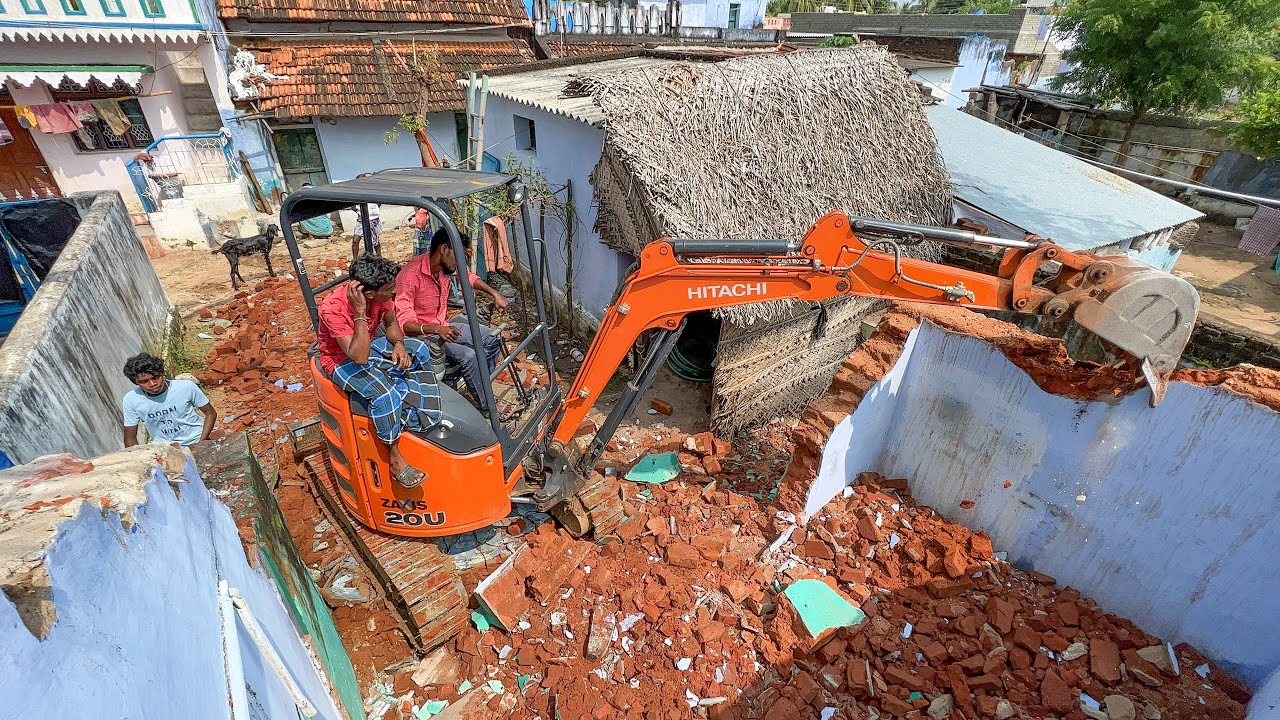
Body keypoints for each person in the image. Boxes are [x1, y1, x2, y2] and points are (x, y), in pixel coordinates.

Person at [318, 254, 439, 488]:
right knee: (384, 394)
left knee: (421, 349)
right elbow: (358, 356)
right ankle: (394, 457)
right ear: (369, 294)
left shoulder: (382, 297)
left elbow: (392, 324)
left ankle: (411, 413)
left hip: (366, 345)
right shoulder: (332, 308)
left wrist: (399, 345)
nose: (394, 293)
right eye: (389, 289)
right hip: (342, 359)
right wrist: (360, 313)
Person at [395, 229, 509, 411]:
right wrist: (436, 330)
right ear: (444, 249)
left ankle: (481, 386)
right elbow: (405, 325)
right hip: (421, 336)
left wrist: (494, 293)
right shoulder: (409, 276)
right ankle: (487, 406)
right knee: (468, 355)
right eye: (459, 255)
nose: (460, 262)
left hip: (443, 326)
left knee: (493, 337)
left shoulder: (444, 268)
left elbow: (468, 277)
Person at [121, 353, 216, 448]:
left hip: (195, 440)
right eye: (144, 381)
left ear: (162, 373)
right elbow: (130, 438)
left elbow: (210, 413)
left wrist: (200, 442)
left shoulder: (186, 387)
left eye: (156, 377)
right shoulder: (131, 400)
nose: (152, 383)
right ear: (136, 382)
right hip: (164, 449)